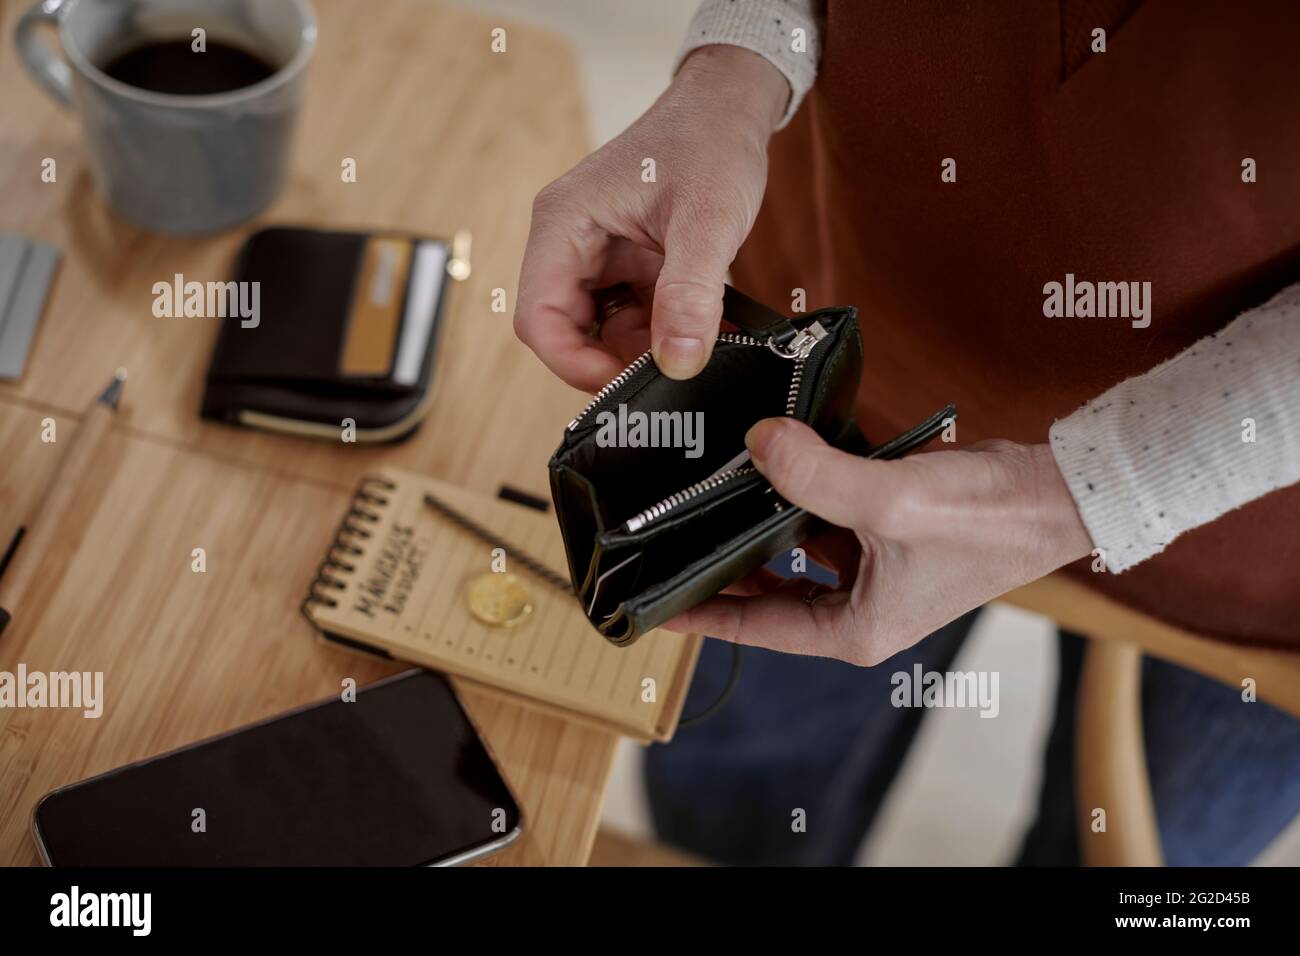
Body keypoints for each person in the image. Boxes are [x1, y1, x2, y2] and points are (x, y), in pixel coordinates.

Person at [513, 0, 1300, 865]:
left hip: (1256, 531)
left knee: (1144, 873)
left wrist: (1088, 495)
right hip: (824, 378)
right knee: (747, 801)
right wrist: (734, 71)